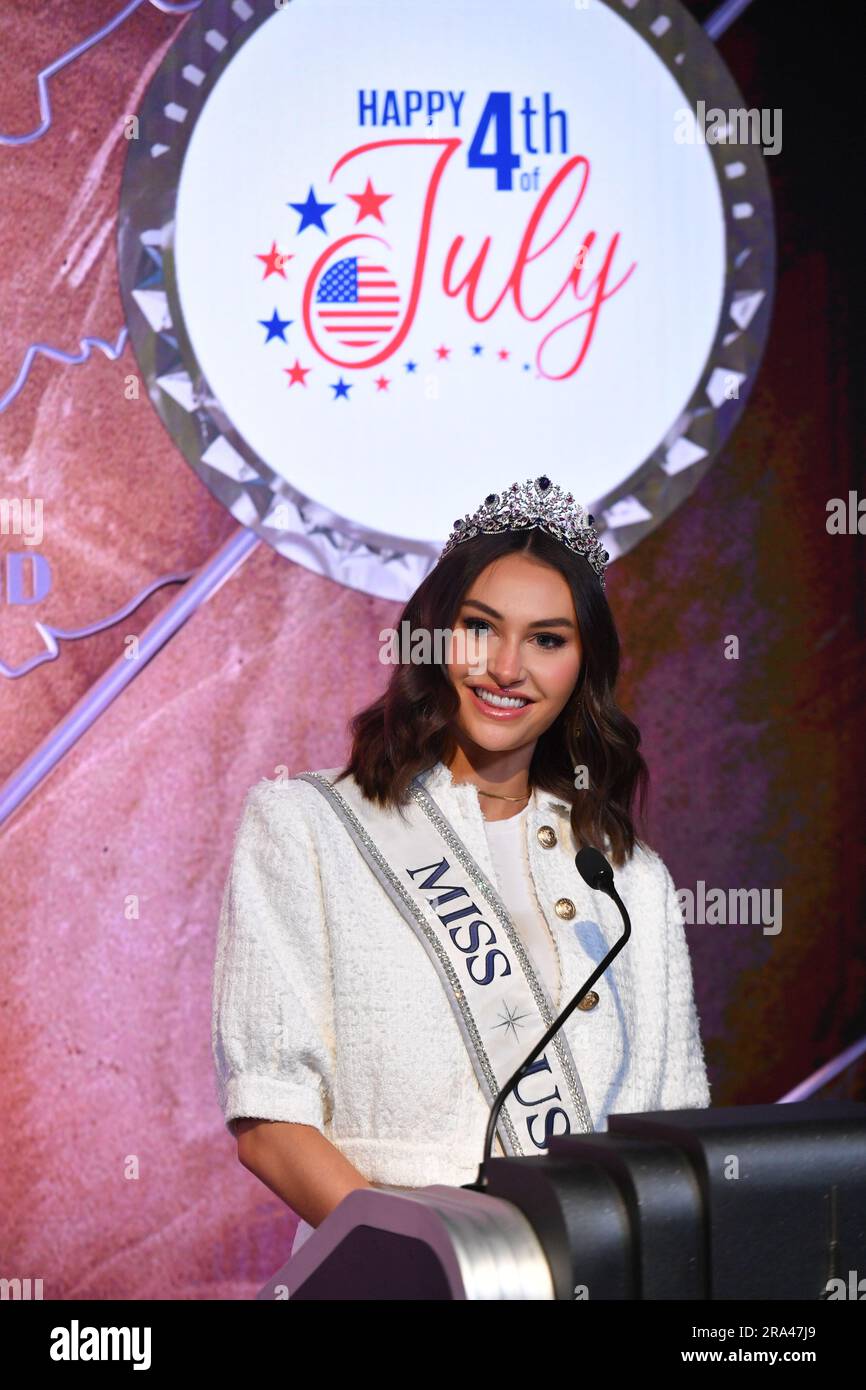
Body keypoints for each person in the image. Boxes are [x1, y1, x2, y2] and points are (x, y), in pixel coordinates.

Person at [211, 474, 711, 1258]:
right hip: (391, 1277)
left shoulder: (631, 880)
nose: (508, 668)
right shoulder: (309, 825)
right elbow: (270, 1121)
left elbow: (679, 1139)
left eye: (547, 640)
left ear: (584, 665)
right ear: (436, 637)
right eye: (482, 628)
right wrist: (429, 1260)